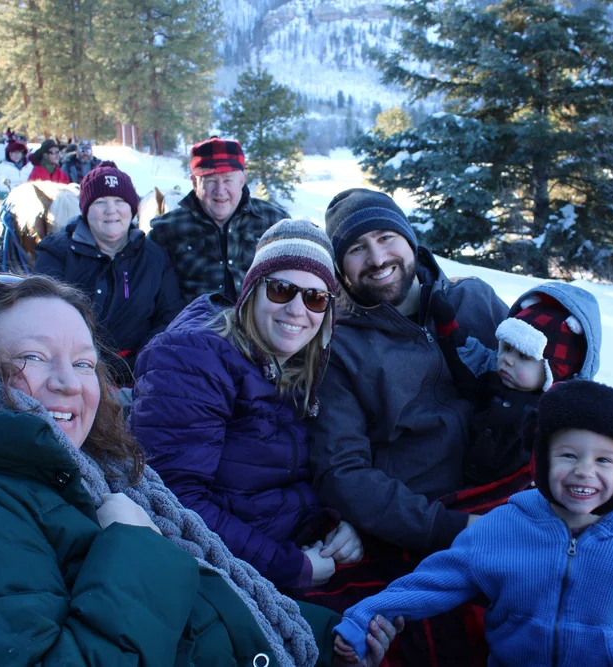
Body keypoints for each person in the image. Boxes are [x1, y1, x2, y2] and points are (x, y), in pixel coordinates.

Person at [0, 273, 402, 667]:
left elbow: (206, 591)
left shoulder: (93, 472)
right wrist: (135, 546)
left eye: (84, 362)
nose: (67, 381)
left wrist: (325, 638)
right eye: (32, 357)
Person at [333, 380, 613, 667]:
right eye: (568, 454)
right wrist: (364, 617)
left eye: (604, 460)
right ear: (540, 456)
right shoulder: (505, 526)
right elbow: (432, 583)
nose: (585, 471)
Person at [131, 218, 367, 591]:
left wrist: (338, 526)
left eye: (315, 297)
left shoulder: (302, 362)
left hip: (296, 547)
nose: (296, 308)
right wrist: (289, 567)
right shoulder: (195, 357)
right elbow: (173, 498)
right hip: (226, 572)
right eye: (280, 290)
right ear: (251, 291)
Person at [309, 187, 509, 555]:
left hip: (508, 492)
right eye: (356, 249)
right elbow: (341, 470)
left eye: (386, 237)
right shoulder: (339, 346)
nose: (377, 258)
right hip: (426, 519)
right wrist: (448, 526)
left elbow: (550, 378)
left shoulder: (474, 300)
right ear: (340, 267)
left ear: (410, 240)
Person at [429, 282, 602, 486]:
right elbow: (468, 365)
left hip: (515, 496)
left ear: (554, 371)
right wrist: (449, 329)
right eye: (507, 348)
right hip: (465, 482)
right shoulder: (492, 380)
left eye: (524, 356)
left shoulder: (559, 416)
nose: (508, 360)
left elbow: (595, 452)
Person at [34, 162, 186, 388]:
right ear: (85, 210)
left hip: (140, 375)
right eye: (100, 202)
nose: (111, 210)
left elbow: (169, 316)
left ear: (132, 209)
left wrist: (138, 366)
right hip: (70, 376)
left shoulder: (154, 258)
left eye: (120, 201)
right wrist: (83, 366)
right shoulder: (56, 254)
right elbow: (43, 317)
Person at [148, 136, 289, 303]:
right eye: (210, 180)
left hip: (259, 327)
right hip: (193, 327)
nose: (220, 191)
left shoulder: (276, 223)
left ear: (242, 179)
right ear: (194, 182)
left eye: (228, 180)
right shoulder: (165, 231)